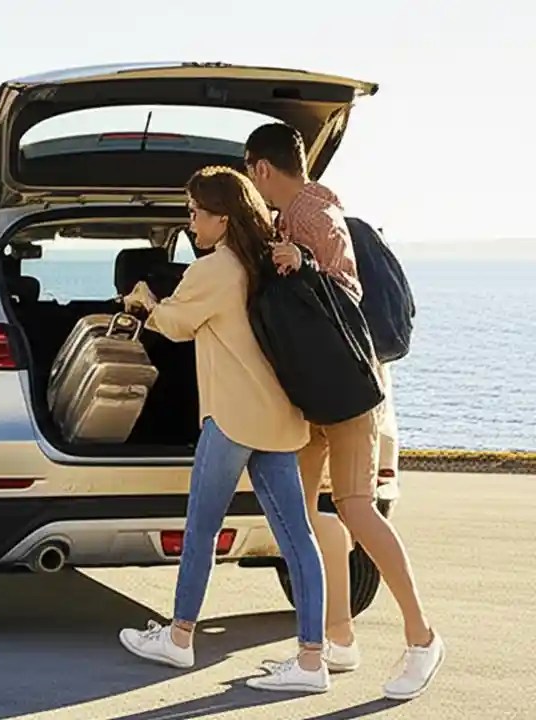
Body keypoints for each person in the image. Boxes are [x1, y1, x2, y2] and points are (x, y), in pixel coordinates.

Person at [243, 122, 444, 701]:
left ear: (261, 170)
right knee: (298, 516)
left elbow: (344, 296)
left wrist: (301, 261)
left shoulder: (316, 217)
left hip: (348, 393)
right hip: (316, 395)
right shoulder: (292, 218)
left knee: (357, 508)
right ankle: (336, 638)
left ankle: (422, 637)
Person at [117, 166, 330, 693]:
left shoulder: (214, 268)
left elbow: (174, 325)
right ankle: (311, 658)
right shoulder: (265, 259)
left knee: (201, 529)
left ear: (222, 217)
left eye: (195, 213)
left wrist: (144, 303)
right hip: (278, 417)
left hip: (232, 418)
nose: (191, 224)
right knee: (297, 537)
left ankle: (180, 635)